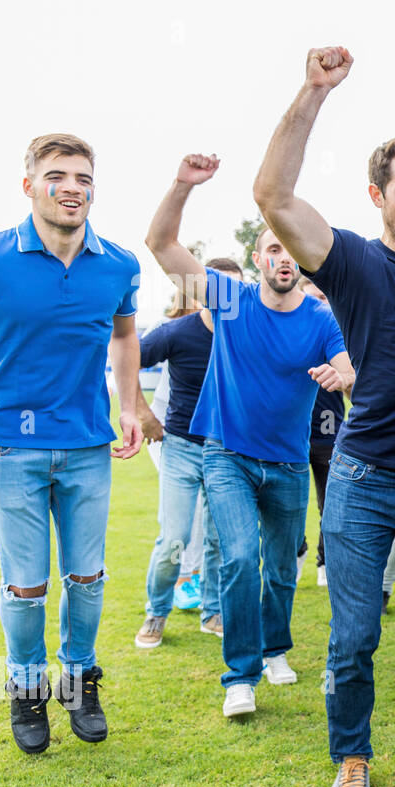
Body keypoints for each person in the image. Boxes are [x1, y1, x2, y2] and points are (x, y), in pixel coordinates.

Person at [252, 46, 395, 787]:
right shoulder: (349, 261)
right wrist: (312, 91)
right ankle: (352, 756)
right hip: (363, 481)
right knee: (350, 639)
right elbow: (272, 193)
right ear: (378, 195)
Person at [145, 152, 353, 719]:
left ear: (304, 262)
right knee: (238, 557)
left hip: (287, 463)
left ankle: (274, 651)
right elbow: (161, 244)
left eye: (292, 250)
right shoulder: (227, 299)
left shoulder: (320, 318)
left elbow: (350, 368)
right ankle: (239, 675)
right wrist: (182, 184)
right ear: (259, 257)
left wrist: (342, 373)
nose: (285, 258)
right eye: (274, 249)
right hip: (227, 456)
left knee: (282, 568)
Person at [0, 133, 143, 753]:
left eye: (83, 177)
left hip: (86, 447)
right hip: (9, 449)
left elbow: (125, 337)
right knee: (26, 584)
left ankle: (78, 679)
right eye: (57, 175)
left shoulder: (120, 265)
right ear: (29, 186)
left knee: (87, 577)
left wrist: (129, 406)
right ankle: (26, 689)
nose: (72, 187)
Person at [133, 259, 242, 647]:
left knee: (219, 540)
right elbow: (127, 359)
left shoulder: (248, 334)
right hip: (180, 448)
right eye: (219, 287)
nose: (228, 297)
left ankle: (212, 612)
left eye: (236, 289)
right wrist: (142, 413)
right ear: (201, 291)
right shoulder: (177, 332)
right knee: (175, 539)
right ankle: (156, 612)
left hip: (229, 452)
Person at [298, 276, 345, 588]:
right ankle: (296, 550)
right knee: (287, 505)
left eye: (323, 297)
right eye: (313, 296)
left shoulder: (338, 332)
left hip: (331, 436)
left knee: (331, 508)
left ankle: (325, 561)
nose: (320, 302)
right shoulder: (292, 330)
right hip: (293, 435)